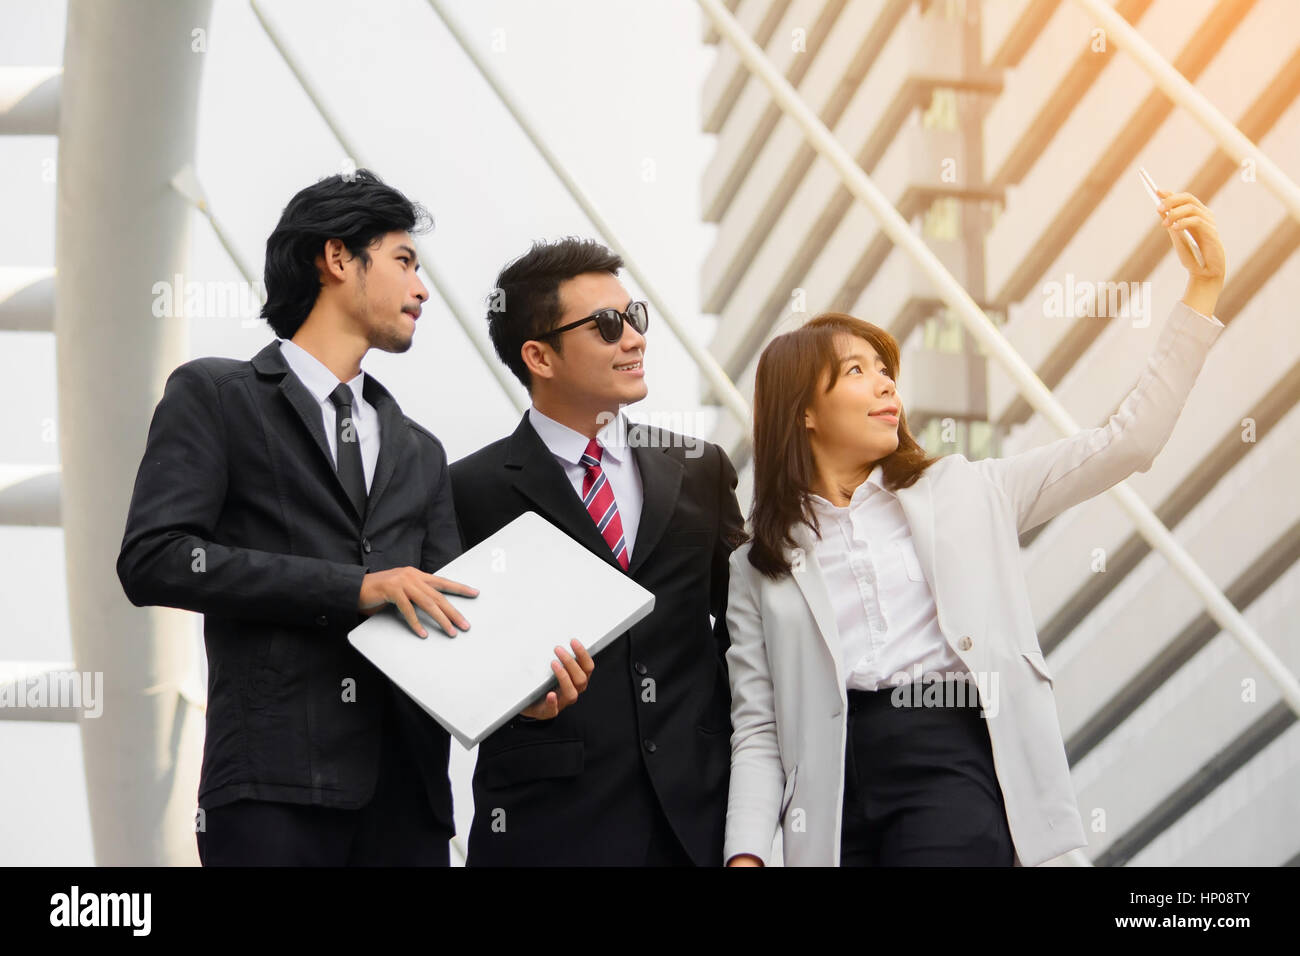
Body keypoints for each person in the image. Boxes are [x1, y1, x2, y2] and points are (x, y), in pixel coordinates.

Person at [723, 189, 1228, 867]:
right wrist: (746, 856)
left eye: (886, 372)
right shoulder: (759, 565)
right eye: (856, 372)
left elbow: (1126, 442)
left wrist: (1204, 287)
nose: (885, 388)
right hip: (829, 801)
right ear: (804, 413)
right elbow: (757, 728)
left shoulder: (968, 491)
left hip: (946, 762)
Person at [116, 170, 588, 865]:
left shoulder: (420, 450)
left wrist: (517, 691)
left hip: (409, 805)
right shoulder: (217, 395)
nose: (423, 289)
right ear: (337, 258)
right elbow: (154, 557)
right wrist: (353, 588)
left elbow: (442, 614)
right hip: (274, 794)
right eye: (404, 261)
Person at [450, 237, 746, 865]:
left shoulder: (700, 469)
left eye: (634, 317)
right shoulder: (465, 490)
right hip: (547, 824)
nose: (634, 339)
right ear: (539, 355)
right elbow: (448, 652)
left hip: (697, 819)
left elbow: (744, 632)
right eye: (608, 326)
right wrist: (515, 700)